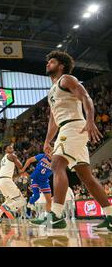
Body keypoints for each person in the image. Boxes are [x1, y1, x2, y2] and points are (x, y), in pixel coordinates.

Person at [42, 51, 111, 231]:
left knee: (57, 164)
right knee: (85, 176)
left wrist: (90, 119)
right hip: (67, 127)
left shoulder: (67, 79)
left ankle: (56, 215)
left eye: (52, 62)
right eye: (47, 62)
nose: (48, 64)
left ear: (61, 66)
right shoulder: (52, 90)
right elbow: (53, 120)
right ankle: (110, 215)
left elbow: (85, 97)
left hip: (74, 126)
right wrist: (47, 141)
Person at [0, 144, 26, 222]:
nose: (11, 148)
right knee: (22, 201)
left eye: (12, 147)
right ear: (5, 150)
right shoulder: (12, 155)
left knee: (8, 200)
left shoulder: (3, 158)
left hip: (0, 180)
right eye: (9, 147)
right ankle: (8, 207)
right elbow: (21, 166)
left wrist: (19, 175)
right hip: (6, 180)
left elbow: (11, 174)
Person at [20, 153, 53, 224]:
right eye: (49, 151)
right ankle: (29, 205)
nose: (49, 153)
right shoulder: (42, 156)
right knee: (36, 195)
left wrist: (47, 162)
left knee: (49, 200)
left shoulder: (56, 161)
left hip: (44, 181)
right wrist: (23, 169)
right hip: (35, 178)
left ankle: (47, 218)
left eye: (52, 152)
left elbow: (56, 169)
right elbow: (29, 160)